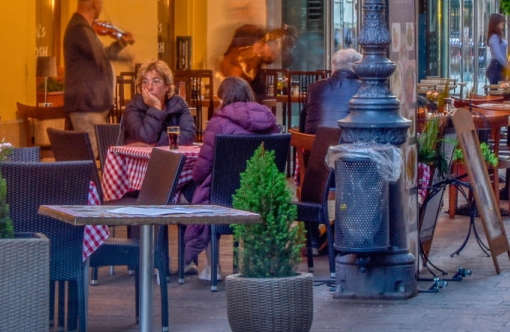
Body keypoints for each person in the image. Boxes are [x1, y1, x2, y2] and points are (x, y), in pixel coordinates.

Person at [183, 77, 281, 268]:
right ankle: (245, 266)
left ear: (223, 98)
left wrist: (195, 178)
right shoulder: (269, 121)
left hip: (222, 198)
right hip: (258, 195)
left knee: (195, 194)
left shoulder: (218, 123)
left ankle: (212, 268)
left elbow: (201, 171)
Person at [63, 0, 127, 134]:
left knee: (94, 147)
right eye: (101, 4)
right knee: (92, 147)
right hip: (87, 106)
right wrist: (122, 46)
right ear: (95, 4)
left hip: (91, 105)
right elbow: (101, 56)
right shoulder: (79, 29)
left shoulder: (84, 28)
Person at [120, 60, 196, 145]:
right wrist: (155, 108)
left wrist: (157, 141)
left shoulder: (178, 104)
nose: (149, 87)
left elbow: (189, 136)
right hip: (140, 154)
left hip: (171, 153)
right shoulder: (133, 106)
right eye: (145, 82)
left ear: (167, 86)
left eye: (156, 81)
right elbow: (146, 138)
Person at [303, 48, 361, 134]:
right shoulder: (363, 87)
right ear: (356, 67)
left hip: (313, 140)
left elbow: (303, 119)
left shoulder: (314, 87)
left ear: (334, 66)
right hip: (346, 140)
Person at [484, 14, 508, 86]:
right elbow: (498, 54)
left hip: (498, 66)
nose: (503, 23)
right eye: (501, 22)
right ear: (496, 23)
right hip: (496, 67)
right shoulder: (494, 37)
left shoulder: (498, 36)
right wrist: (508, 65)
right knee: (497, 89)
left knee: (499, 88)